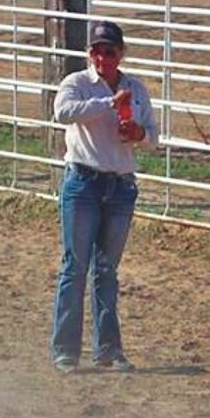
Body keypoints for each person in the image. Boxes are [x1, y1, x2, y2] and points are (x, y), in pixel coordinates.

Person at [49, 20, 158, 374]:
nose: (102, 57)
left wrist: (138, 132)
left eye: (109, 51)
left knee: (107, 270)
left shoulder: (137, 89)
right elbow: (62, 113)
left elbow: (153, 136)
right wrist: (111, 103)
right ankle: (66, 350)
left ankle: (108, 349)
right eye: (96, 50)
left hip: (120, 185)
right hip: (83, 181)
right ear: (89, 54)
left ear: (120, 54)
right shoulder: (76, 84)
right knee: (75, 266)